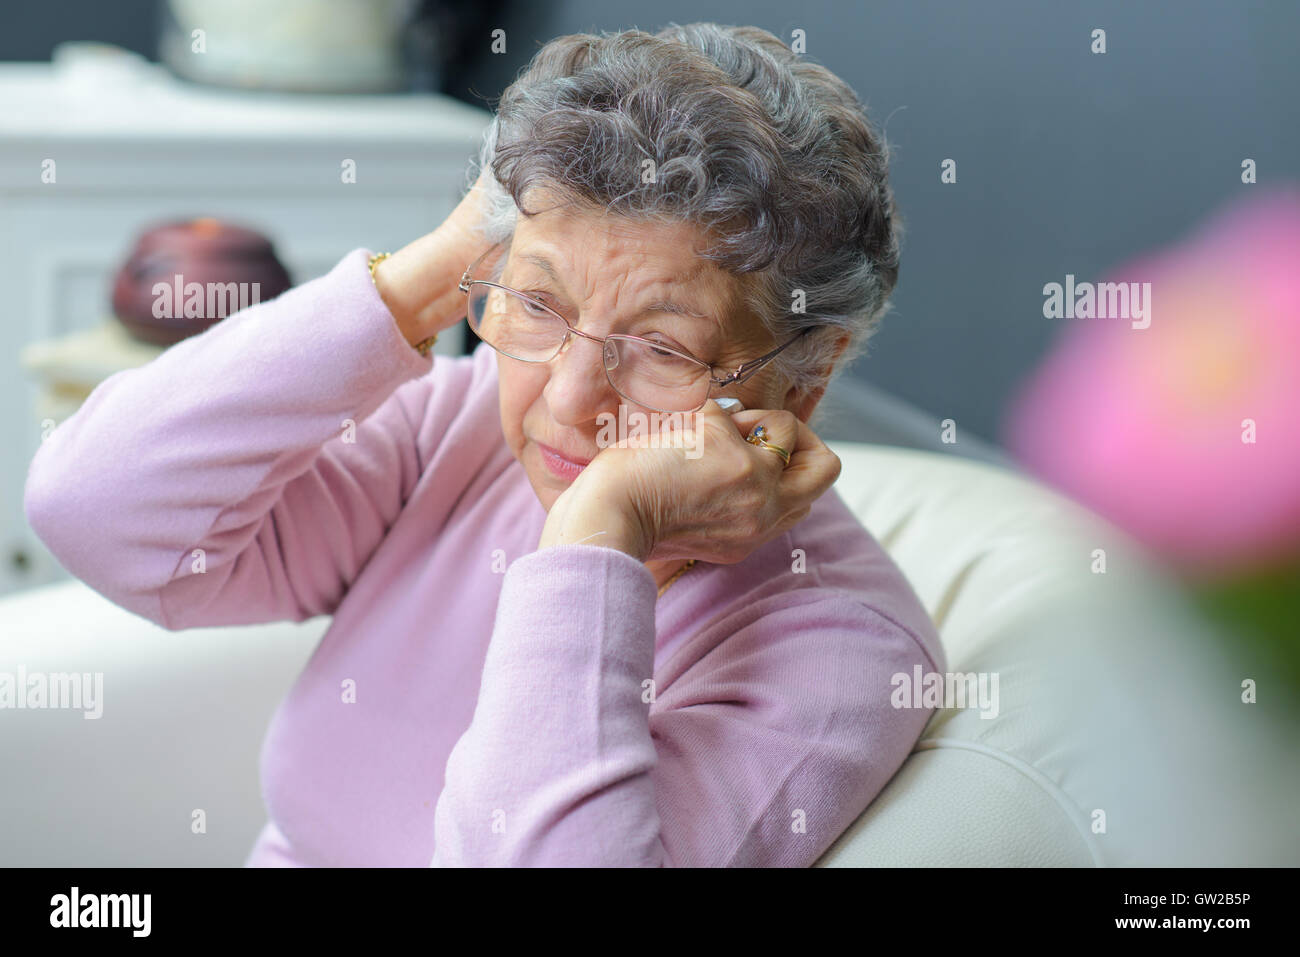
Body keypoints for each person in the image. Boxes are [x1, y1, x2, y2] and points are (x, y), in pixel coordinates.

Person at [24, 23, 945, 867]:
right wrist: (436, 267)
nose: (572, 400)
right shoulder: (460, 431)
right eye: (538, 305)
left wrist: (600, 532)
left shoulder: (840, 650)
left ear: (802, 389)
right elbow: (95, 510)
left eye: (664, 350)